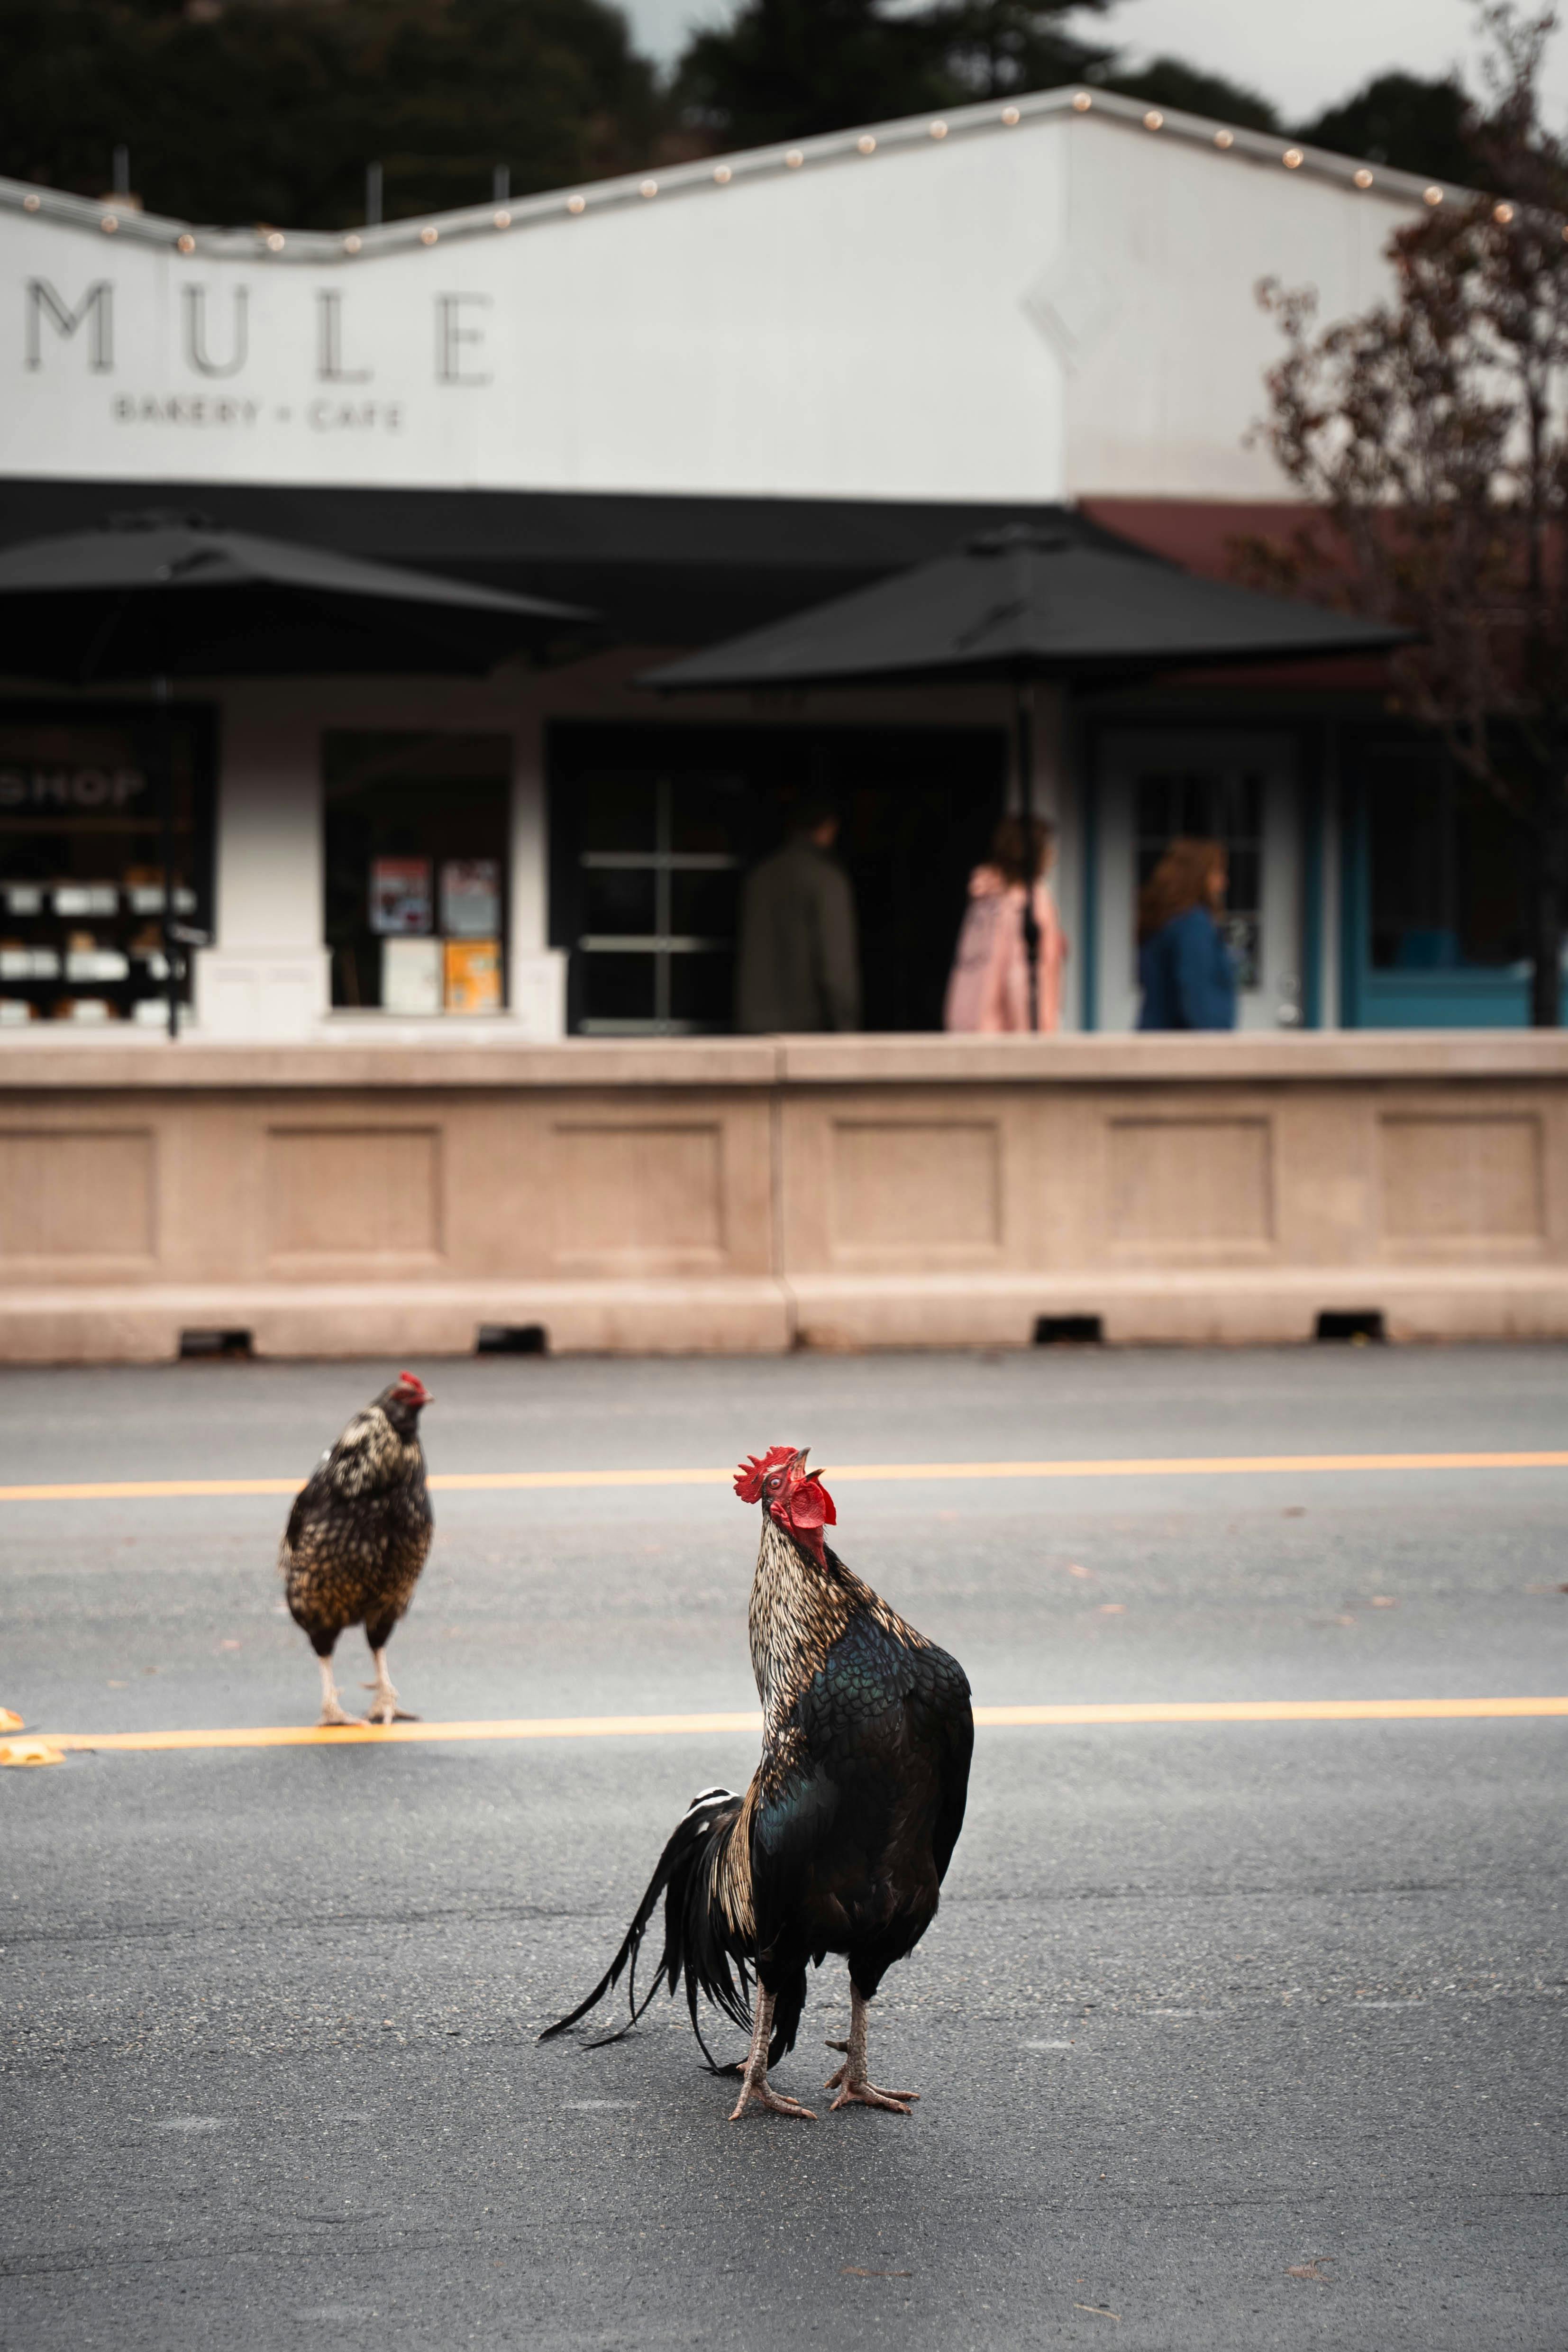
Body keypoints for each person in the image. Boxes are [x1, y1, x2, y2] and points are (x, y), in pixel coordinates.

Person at [734, 795, 861, 1033]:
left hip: (753, 1028)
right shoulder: (826, 879)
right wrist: (847, 1025)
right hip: (807, 1032)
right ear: (828, 828)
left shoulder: (760, 876)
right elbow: (837, 963)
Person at [943, 814, 1067, 1033]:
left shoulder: (985, 900)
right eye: (1047, 847)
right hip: (1009, 1039)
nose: (1054, 855)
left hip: (969, 1030)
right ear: (1032, 853)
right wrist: (1037, 1039)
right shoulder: (1030, 903)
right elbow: (1023, 980)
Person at [1135, 836, 1238, 1030]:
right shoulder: (1193, 925)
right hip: (1184, 1047)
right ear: (1198, 876)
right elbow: (1197, 995)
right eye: (1217, 873)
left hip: (1156, 1038)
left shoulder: (1164, 920)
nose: (1223, 883)